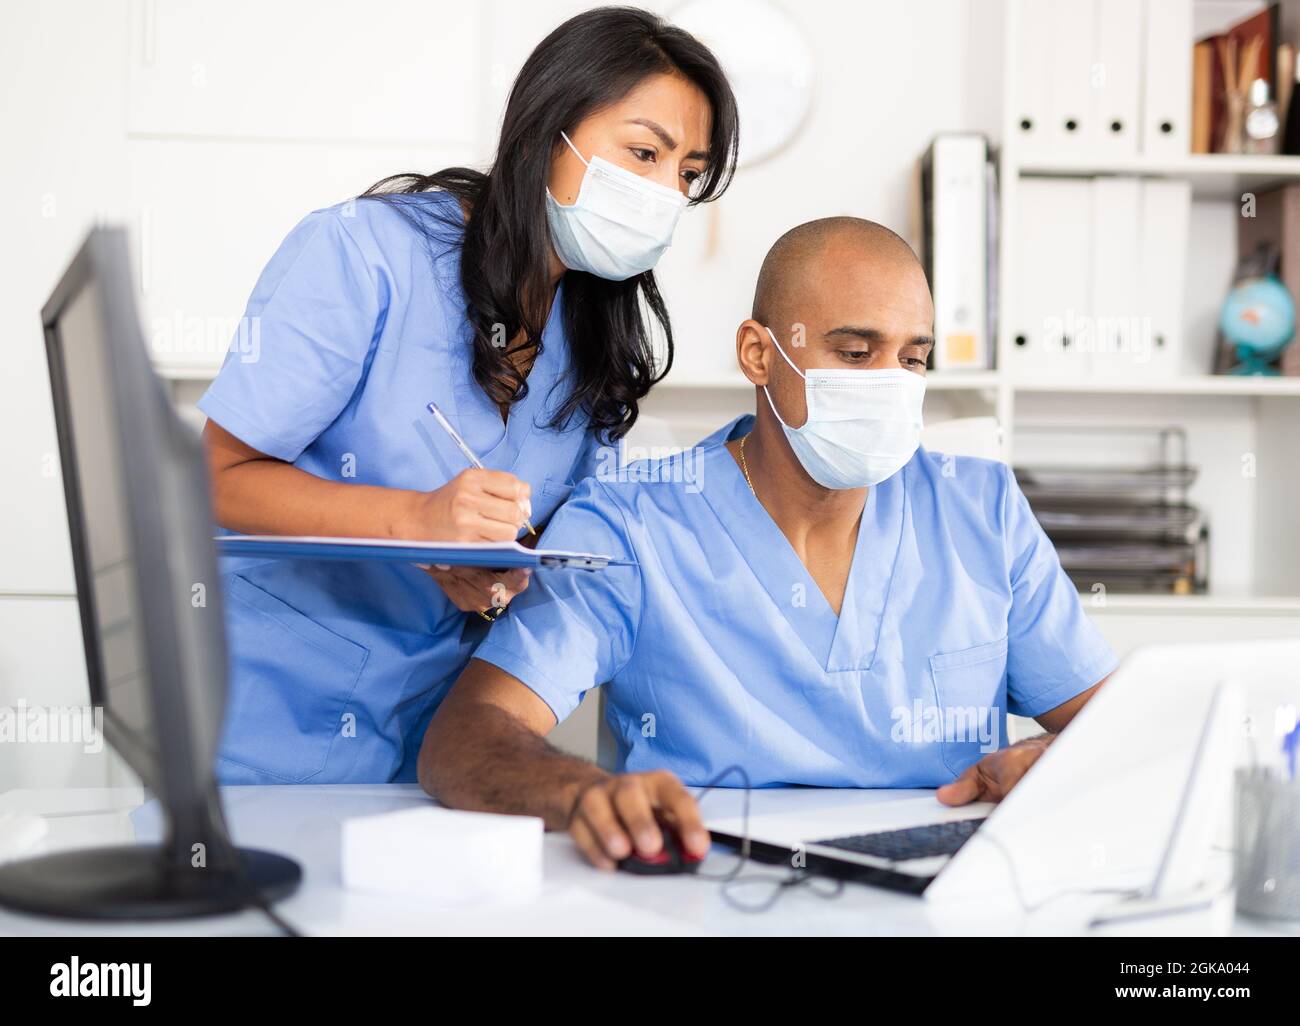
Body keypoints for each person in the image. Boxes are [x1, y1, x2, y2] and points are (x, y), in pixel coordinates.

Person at [418, 217, 1119, 869]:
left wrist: (1056, 756)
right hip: (712, 889)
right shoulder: (631, 522)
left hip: (941, 894)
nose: (890, 384)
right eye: (855, 351)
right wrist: (580, 794)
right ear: (759, 354)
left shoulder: (982, 511)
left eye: (912, 358)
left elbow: (1136, 726)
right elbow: (466, 736)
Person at [198, 7, 738, 784]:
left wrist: (486, 578)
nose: (663, 193)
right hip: (268, 722)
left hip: (435, 743)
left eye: (686, 175)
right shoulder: (367, 253)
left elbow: (524, 555)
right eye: (643, 153)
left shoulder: (595, 341)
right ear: (548, 129)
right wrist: (417, 523)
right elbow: (217, 478)